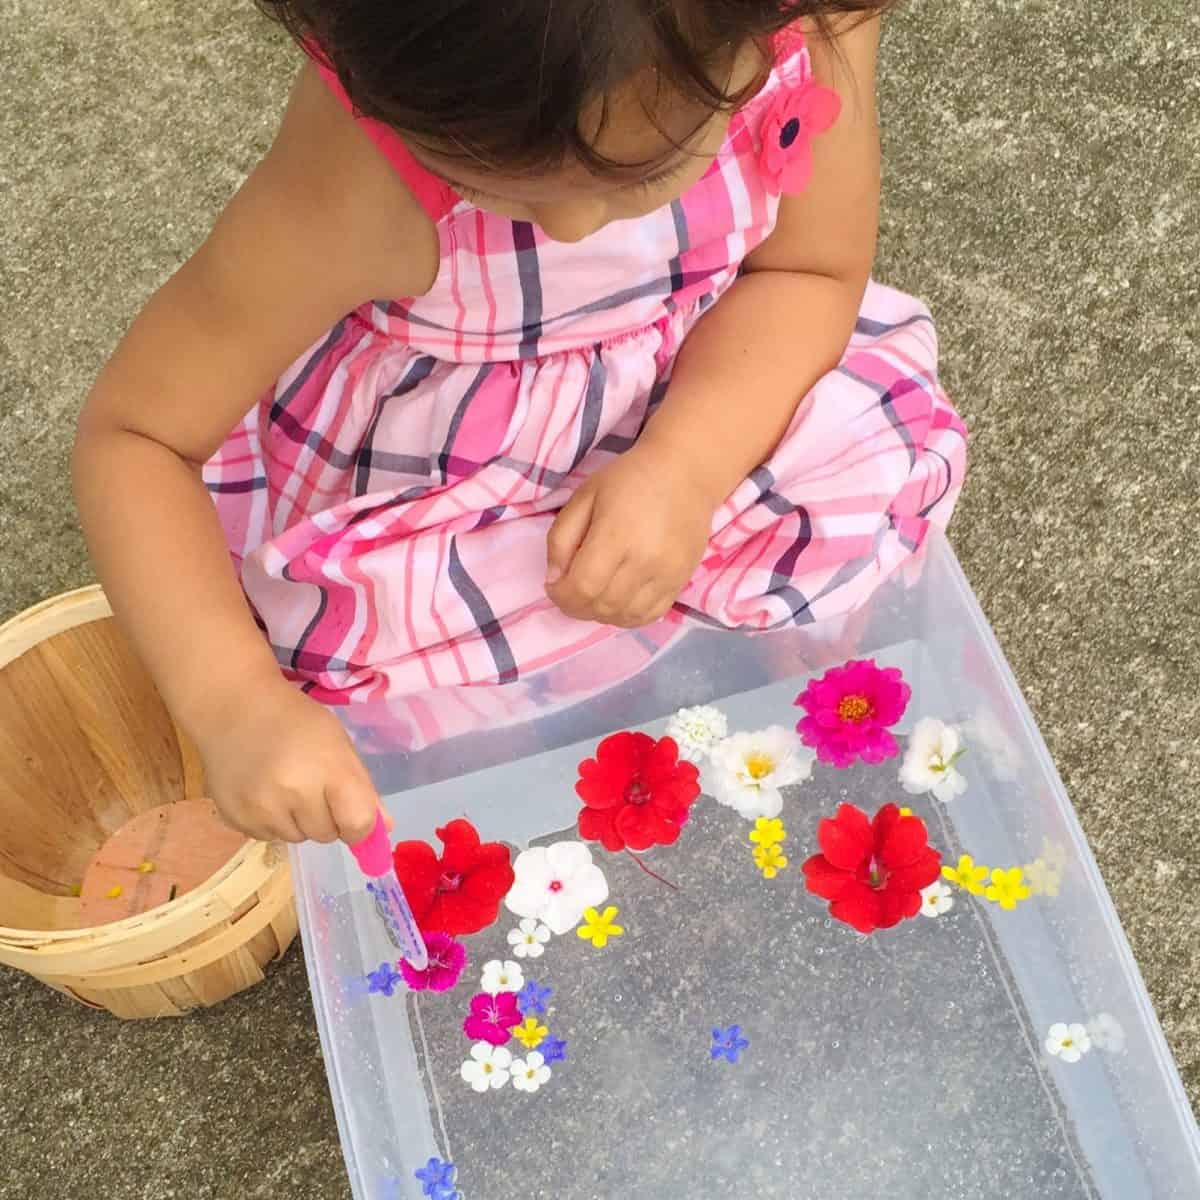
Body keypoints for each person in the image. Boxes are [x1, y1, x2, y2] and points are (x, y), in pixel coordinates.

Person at [72, 0, 966, 849]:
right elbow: (137, 437)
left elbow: (809, 275)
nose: (574, 226)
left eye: (646, 172)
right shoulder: (349, 187)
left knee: (857, 468)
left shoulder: (809, 30)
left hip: (713, 381)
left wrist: (686, 468)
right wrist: (235, 704)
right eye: (484, 176)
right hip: (446, 486)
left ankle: (770, 646)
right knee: (438, 715)